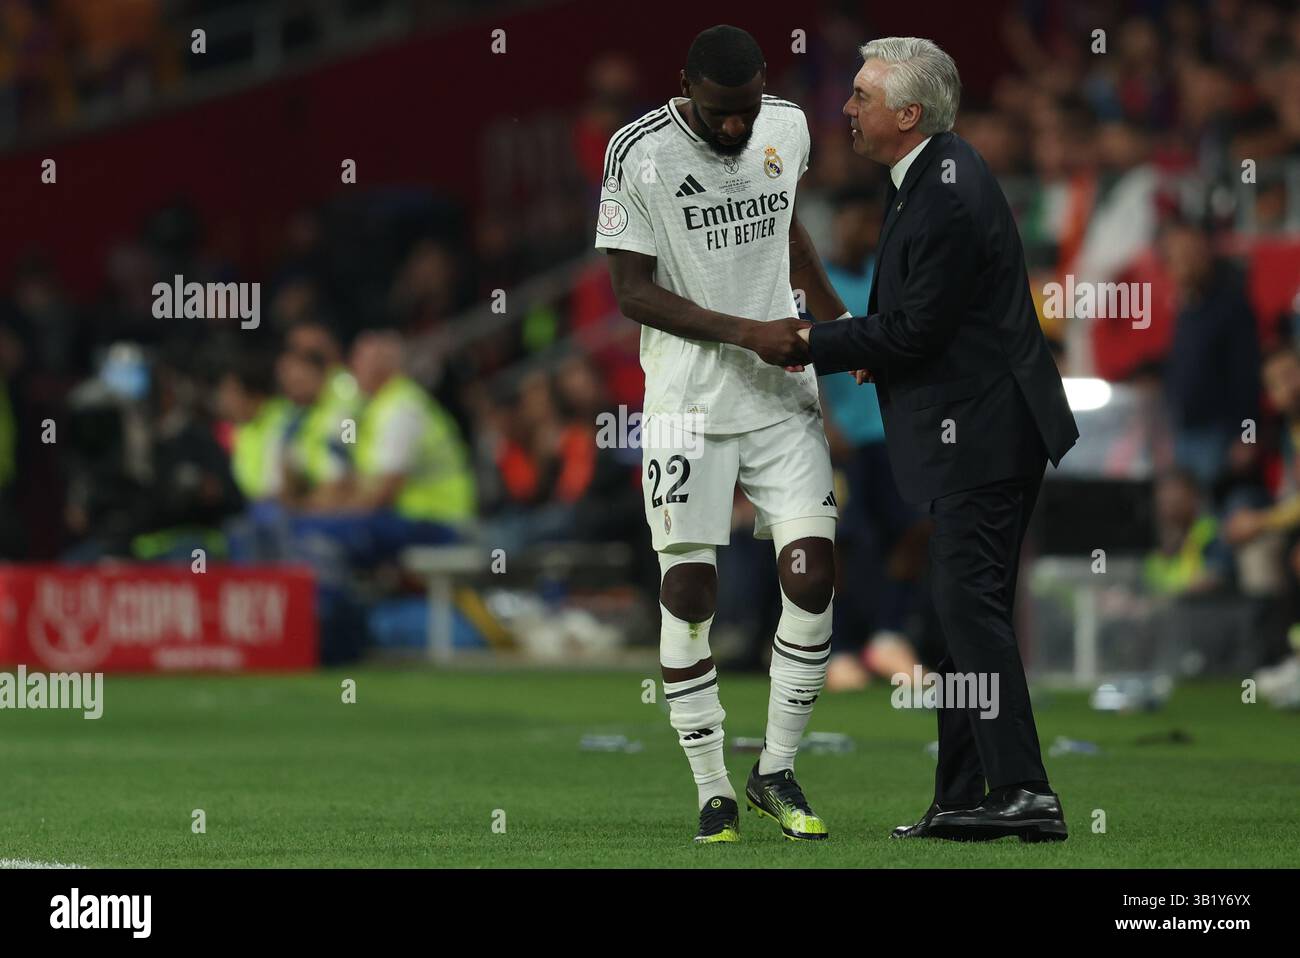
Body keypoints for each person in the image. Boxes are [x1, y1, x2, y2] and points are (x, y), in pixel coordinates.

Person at [792, 38, 1080, 841]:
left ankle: (1024, 790)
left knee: (968, 606)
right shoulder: (932, 176)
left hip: (986, 430)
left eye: (861, 97)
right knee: (955, 612)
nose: (846, 109)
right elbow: (921, 322)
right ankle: (962, 793)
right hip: (976, 424)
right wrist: (857, 343)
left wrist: (811, 343)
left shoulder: (946, 189)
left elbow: (918, 328)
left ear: (907, 114)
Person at [596, 24, 845, 844]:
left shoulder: (788, 126)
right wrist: (748, 331)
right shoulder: (637, 153)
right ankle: (711, 788)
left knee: (811, 574)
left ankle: (775, 767)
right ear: (685, 88)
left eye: (743, 111)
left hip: (781, 393)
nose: (735, 129)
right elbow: (632, 292)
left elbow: (789, 232)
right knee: (688, 594)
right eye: (717, 114)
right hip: (687, 402)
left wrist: (843, 327)